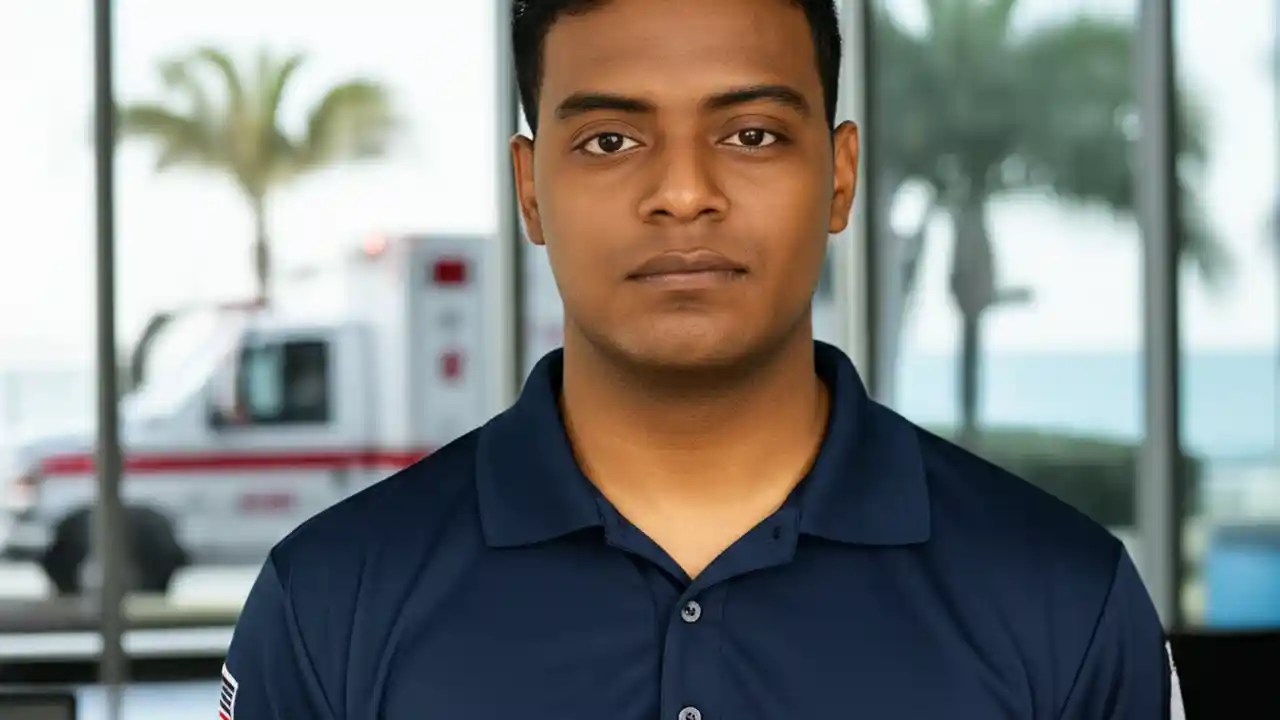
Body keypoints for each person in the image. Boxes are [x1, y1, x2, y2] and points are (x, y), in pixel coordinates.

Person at [220, 0, 1181, 717]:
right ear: (531, 192)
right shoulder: (329, 603)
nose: (683, 192)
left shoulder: (1065, 599)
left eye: (751, 134)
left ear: (840, 176)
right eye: (609, 139)